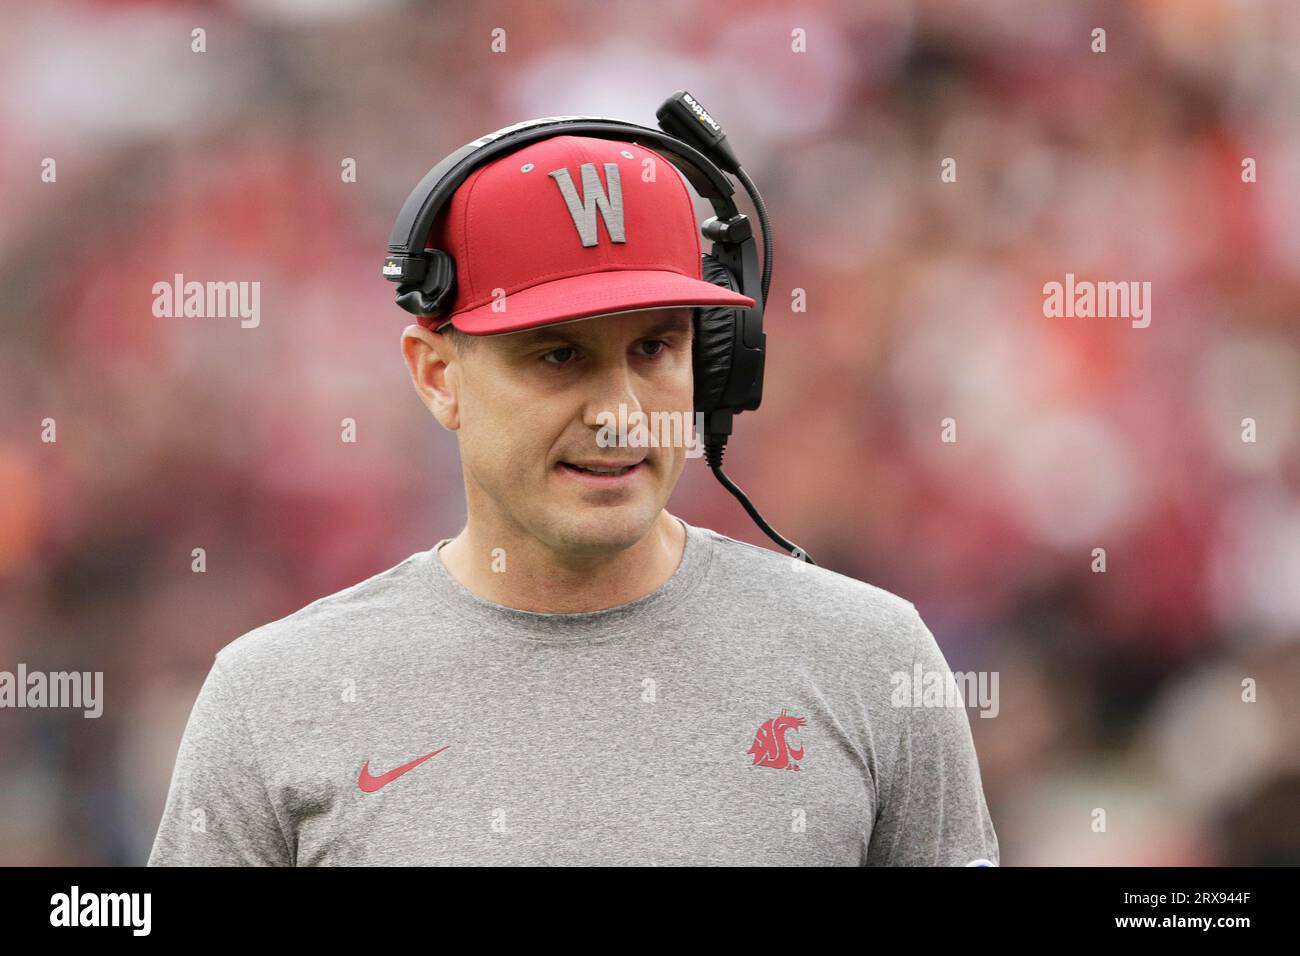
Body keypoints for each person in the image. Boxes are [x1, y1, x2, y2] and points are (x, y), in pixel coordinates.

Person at [148, 133, 999, 866]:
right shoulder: (276, 696)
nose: (621, 413)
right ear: (438, 376)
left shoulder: (871, 658)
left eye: (655, 348)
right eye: (558, 357)